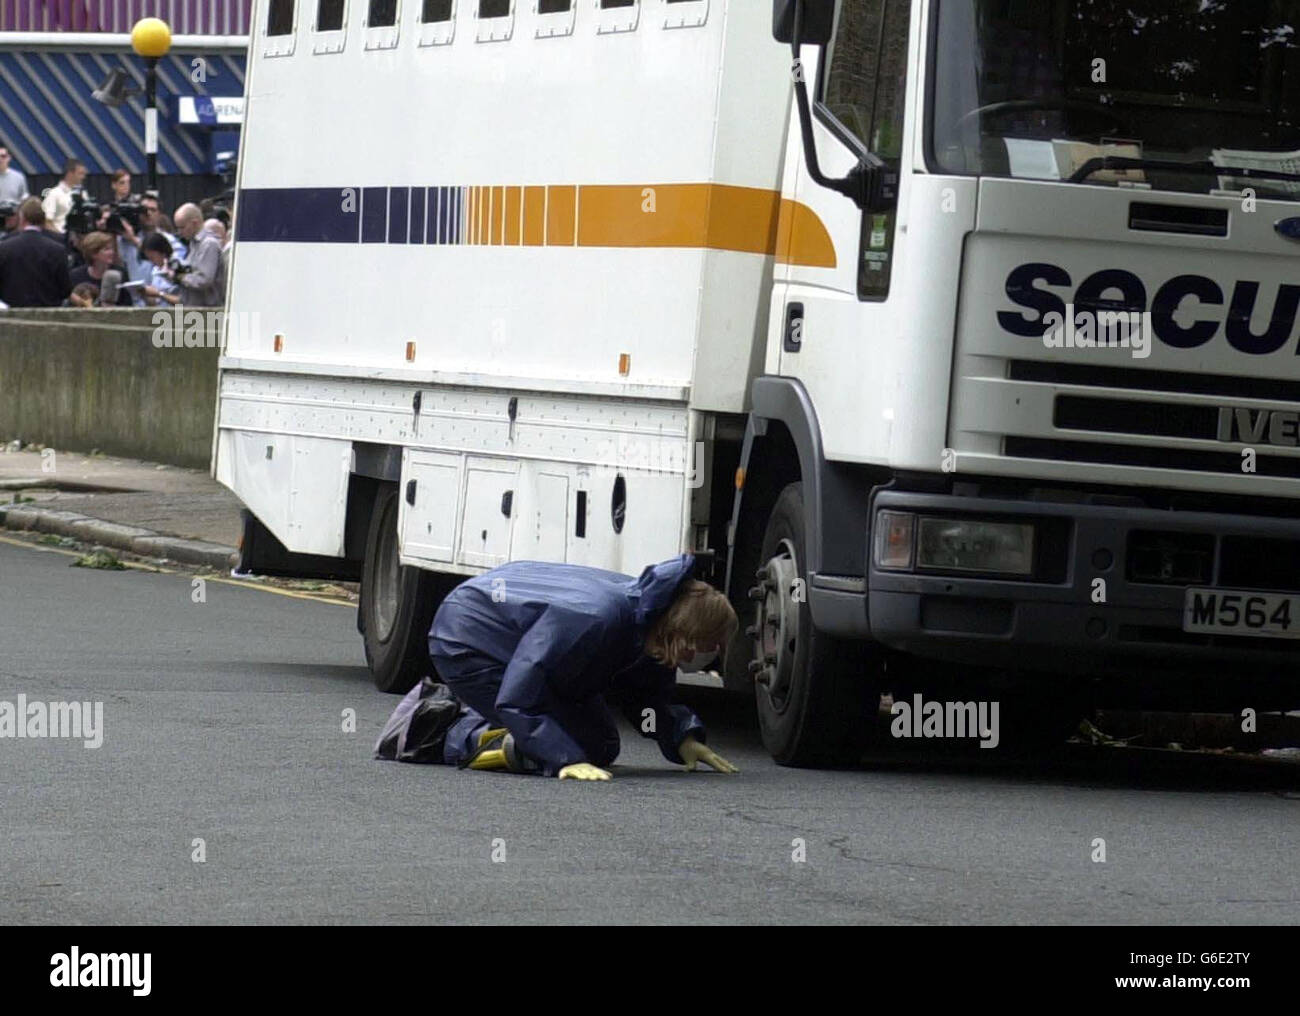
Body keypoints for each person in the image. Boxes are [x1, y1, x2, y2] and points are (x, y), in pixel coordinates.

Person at [376, 554, 741, 781]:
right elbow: (520, 694)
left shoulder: (648, 624)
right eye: (712, 643)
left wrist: (682, 737)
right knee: (571, 746)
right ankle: (440, 726)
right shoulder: (596, 619)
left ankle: (496, 728)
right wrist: (564, 759)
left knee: (600, 745)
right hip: (466, 640)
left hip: (516, 643)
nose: (715, 652)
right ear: (687, 634)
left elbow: (642, 699)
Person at [0, 198, 71, 307]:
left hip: (12, 314)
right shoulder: (57, 249)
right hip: (48, 315)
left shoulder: (4, 247)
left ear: (22, 218)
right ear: (43, 220)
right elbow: (65, 290)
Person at [169, 202, 225, 306]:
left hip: (207, 311)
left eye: (182, 227)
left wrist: (180, 276)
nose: (179, 232)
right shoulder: (193, 244)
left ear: (194, 223)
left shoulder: (209, 244)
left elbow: (204, 280)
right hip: (193, 308)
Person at [69, 231, 132, 307]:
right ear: (93, 254)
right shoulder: (75, 276)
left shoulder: (120, 273)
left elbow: (127, 303)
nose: (112, 252)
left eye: (111, 249)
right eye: (106, 249)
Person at [41, 157, 86, 234]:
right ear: (70, 174)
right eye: (80, 174)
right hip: (60, 238)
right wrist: (60, 237)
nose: (83, 177)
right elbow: (47, 222)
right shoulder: (53, 194)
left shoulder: (83, 193)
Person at [139, 231, 182, 305]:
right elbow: (155, 302)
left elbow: (182, 301)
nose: (152, 262)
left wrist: (160, 294)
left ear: (163, 252)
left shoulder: (178, 266)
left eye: (153, 258)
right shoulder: (156, 270)